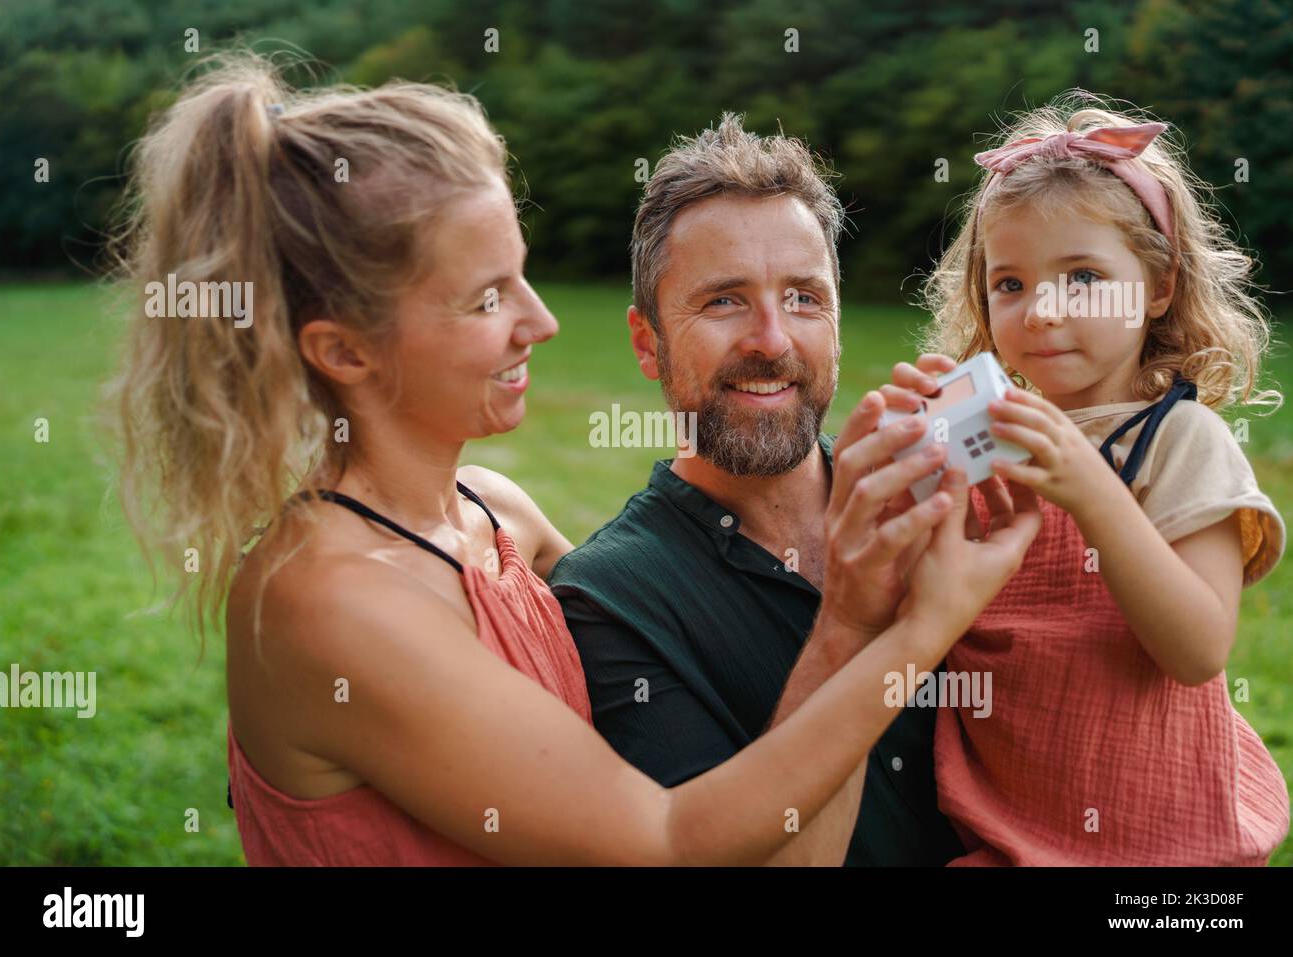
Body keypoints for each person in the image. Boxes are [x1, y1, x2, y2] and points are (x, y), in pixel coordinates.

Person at [109, 53, 1040, 866]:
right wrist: (908, 626)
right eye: (485, 299)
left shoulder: (491, 511)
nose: (542, 322)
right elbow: (670, 840)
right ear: (344, 352)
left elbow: (658, 584)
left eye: (523, 272)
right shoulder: (328, 600)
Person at [549, 114, 1011, 864]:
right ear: (646, 341)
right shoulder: (610, 601)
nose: (772, 339)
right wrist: (850, 626)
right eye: (724, 300)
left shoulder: (947, 497)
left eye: (803, 298)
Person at [913, 92, 1288, 865]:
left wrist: (1091, 489)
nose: (1041, 311)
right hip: (1004, 829)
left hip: (1163, 844)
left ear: (1157, 286)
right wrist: (910, 465)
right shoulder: (987, 432)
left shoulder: (1179, 439)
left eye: (1081, 277)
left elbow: (1196, 648)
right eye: (1009, 283)